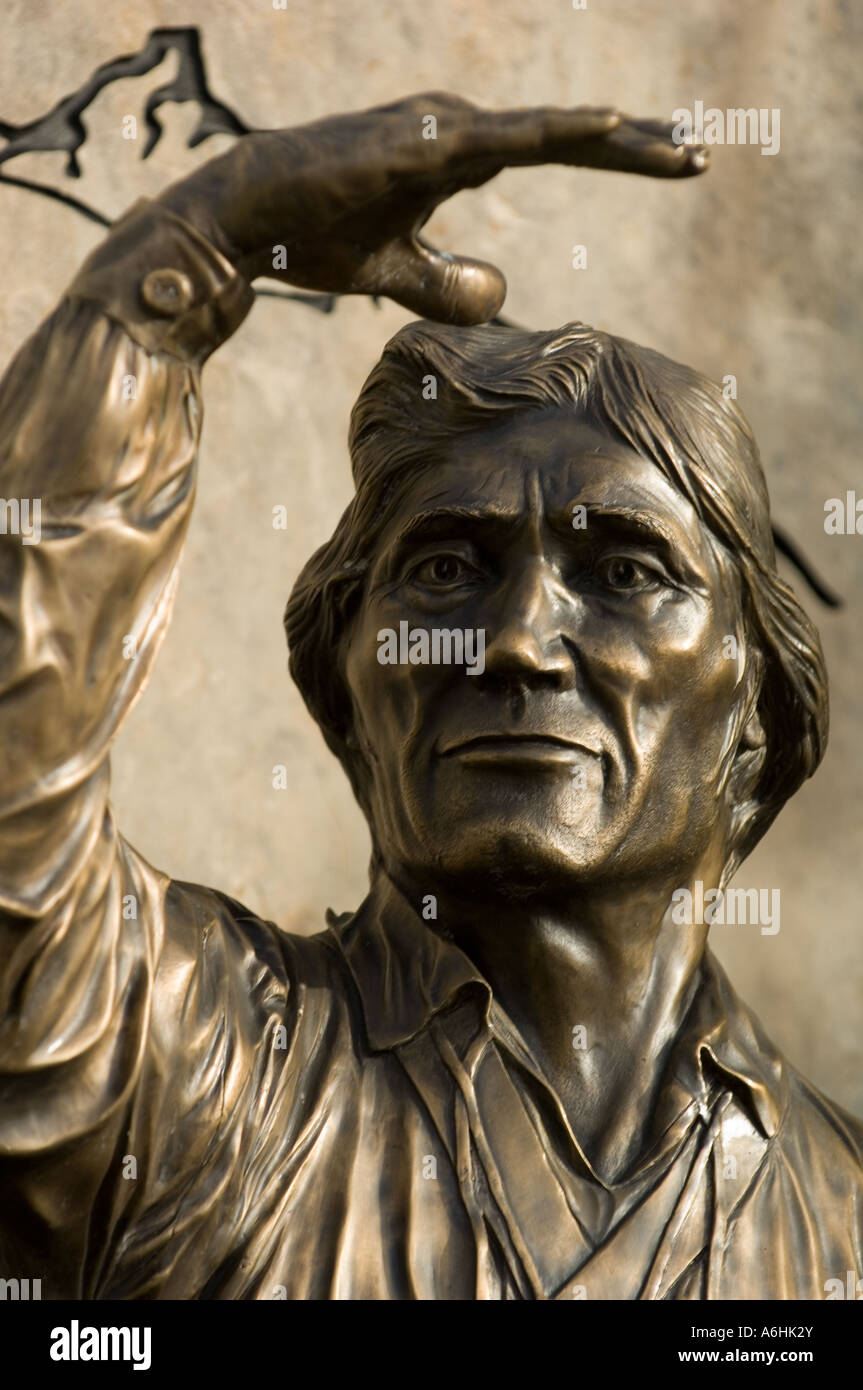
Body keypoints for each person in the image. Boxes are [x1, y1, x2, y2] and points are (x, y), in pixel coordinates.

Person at [0, 94, 858, 1300]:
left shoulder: (841, 1221)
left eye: (623, 572)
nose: (514, 643)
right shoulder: (190, 1076)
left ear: (758, 714)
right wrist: (193, 254)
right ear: (345, 695)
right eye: (445, 570)